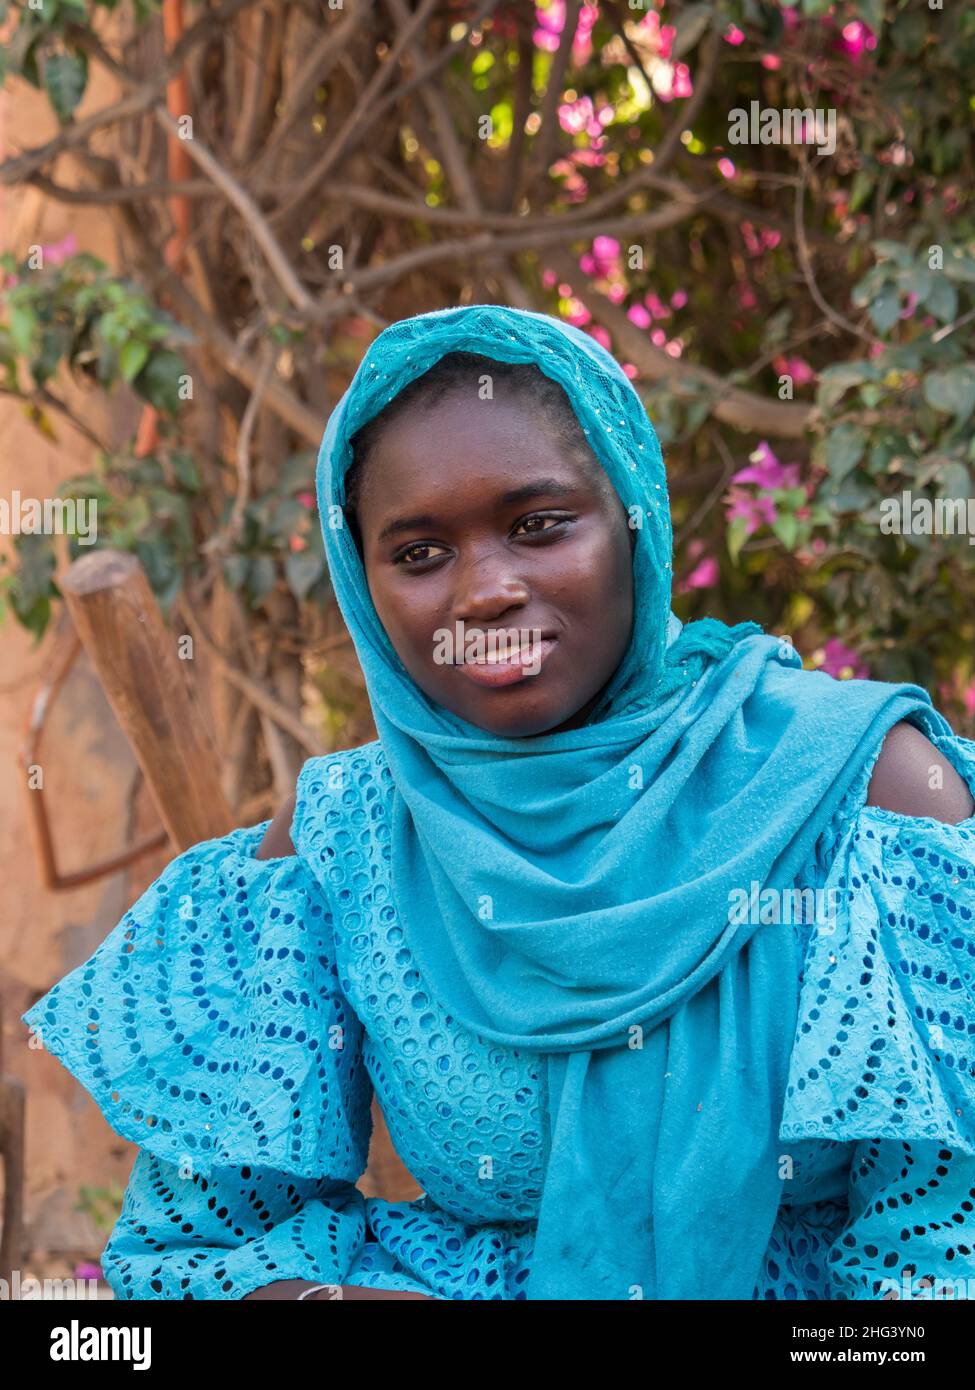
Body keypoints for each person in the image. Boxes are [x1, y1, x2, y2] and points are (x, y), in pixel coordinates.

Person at [23, 305, 975, 1301]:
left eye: (539, 525)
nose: (484, 590)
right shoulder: (340, 846)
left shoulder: (867, 801)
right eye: (421, 553)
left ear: (634, 519)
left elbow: (944, 1260)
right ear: (364, 582)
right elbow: (200, 1247)